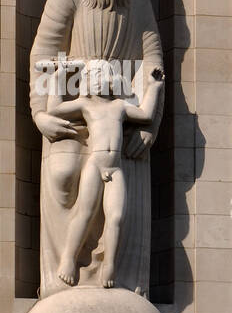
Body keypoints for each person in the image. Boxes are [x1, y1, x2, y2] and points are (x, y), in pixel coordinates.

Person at [29, 0, 165, 295]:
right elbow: (47, 47)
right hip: (74, 96)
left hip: (120, 111)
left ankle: (114, 279)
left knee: (119, 210)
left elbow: (153, 62)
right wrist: (40, 111)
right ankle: (62, 277)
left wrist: (151, 127)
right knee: (63, 175)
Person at [34, 59, 165, 287]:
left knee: (116, 217)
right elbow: (54, 109)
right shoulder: (85, 105)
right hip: (95, 165)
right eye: (91, 77)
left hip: (115, 168)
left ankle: (110, 265)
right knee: (85, 213)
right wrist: (56, 78)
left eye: (99, 75)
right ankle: (68, 259)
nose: (95, 81)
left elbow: (145, 115)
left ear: (110, 80)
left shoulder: (119, 106)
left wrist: (154, 87)